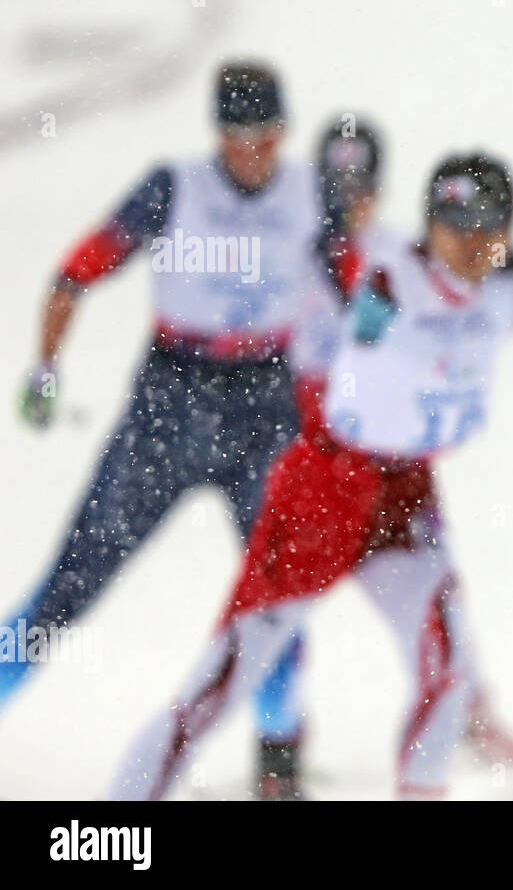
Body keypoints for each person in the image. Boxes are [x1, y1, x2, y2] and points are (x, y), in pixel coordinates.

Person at [108, 121, 513, 800]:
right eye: (454, 224)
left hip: (404, 489)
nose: (471, 243)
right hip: (325, 489)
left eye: (487, 226)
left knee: (446, 662)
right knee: (223, 681)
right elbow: (359, 270)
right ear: (428, 222)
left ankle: (441, 764)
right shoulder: (391, 274)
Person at [3, 61, 319, 798]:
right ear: (218, 135)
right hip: (172, 403)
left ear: (283, 132)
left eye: (266, 134)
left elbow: (360, 278)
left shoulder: (310, 193)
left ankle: (280, 764)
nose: (253, 151)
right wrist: (45, 369)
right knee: (69, 588)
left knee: (277, 592)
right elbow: (76, 272)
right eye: (238, 135)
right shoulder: (174, 188)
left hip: (265, 404)